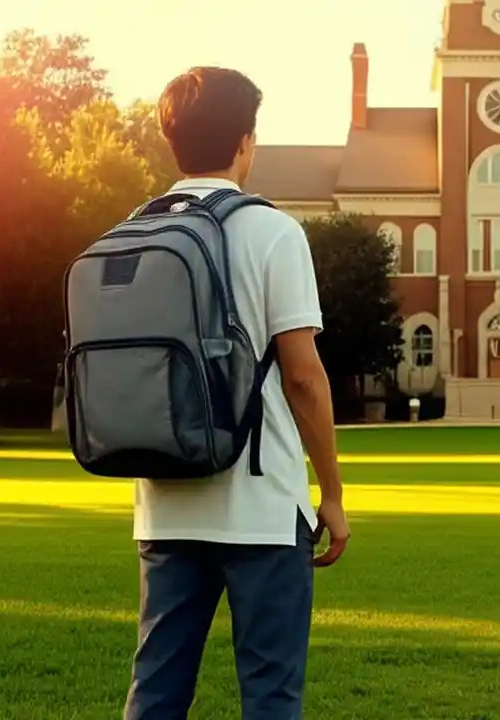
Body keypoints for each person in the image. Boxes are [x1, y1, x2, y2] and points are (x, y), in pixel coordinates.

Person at [124, 66, 349, 720]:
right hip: (262, 508)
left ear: (172, 140)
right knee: (270, 695)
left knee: (157, 692)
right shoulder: (273, 232)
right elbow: (304, 376)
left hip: (164, 502)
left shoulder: (134, 230)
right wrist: (331, 492)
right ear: (246, 143)